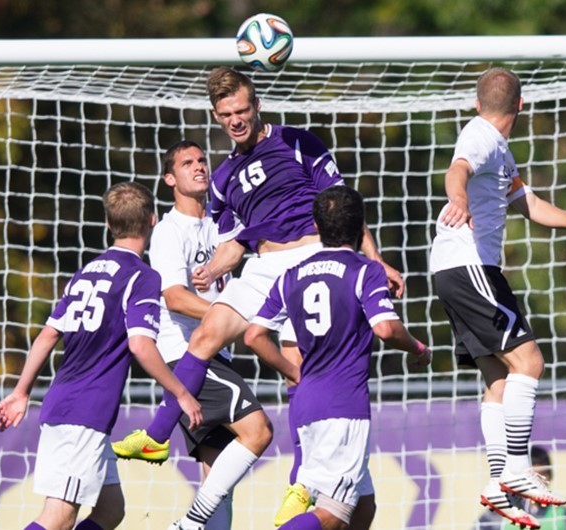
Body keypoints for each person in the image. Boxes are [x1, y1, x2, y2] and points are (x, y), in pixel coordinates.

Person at [112, 66, 401, 529]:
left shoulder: (298, 142)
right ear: (216, 115)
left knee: (296, 371)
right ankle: (157, 435)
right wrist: (213, 269)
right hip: (263, 265)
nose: (236, 120)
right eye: (226, 114)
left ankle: (300, 482)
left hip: (310, 257)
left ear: (257, 104)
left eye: (242, 110)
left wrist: (376, 261)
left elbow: (343, 204)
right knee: (206, 335)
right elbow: (235, 243)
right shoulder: (224, 177)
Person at [430, 67, 566, 528]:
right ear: (521, 105)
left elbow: (527, 203)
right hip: (470, 266)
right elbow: (457, 170)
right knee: (529, 362)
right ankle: (517, 469)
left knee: (498, 379)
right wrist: (460, 199)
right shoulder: (482, 137)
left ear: (475, 100)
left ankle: (496, 480)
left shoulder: (500, 151)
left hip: (457, 269)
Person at [0, 182, 202, 530]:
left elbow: (47, 336)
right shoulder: (141, 276)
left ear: (108, 224)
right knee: (59, 517)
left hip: (66, 404)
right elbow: (140, 346)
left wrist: (21, 391)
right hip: (84, 414)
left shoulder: (84, 272)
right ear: (153, 220)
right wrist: (181, 393)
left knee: (110, 512)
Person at [244, 186, 432, 530]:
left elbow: (253, 336)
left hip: (306, 404)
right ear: (361, 226)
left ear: (316, 226)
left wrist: (292, 371)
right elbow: (386, 329)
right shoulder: (365, 271)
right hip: (343, 408)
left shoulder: (291, 276)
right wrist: (419, 348)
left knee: (364, 506)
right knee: (333, 515)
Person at [111, 141, 272, 530]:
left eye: (202, 160)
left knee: (218, 478)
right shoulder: (168, 231)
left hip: (217, 355)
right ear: (170, 179)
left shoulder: (223, 224)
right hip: (187, 356)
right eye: (187, 163)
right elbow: (175, 297)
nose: (199, 167)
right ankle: (187, 524)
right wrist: (233, 317)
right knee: (258, 430)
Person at [474, 446, 566, 530]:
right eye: (532, 477)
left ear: (550, 476)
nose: (537, 482)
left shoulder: (565, 516)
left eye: (542, 475)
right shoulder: (497, 514)